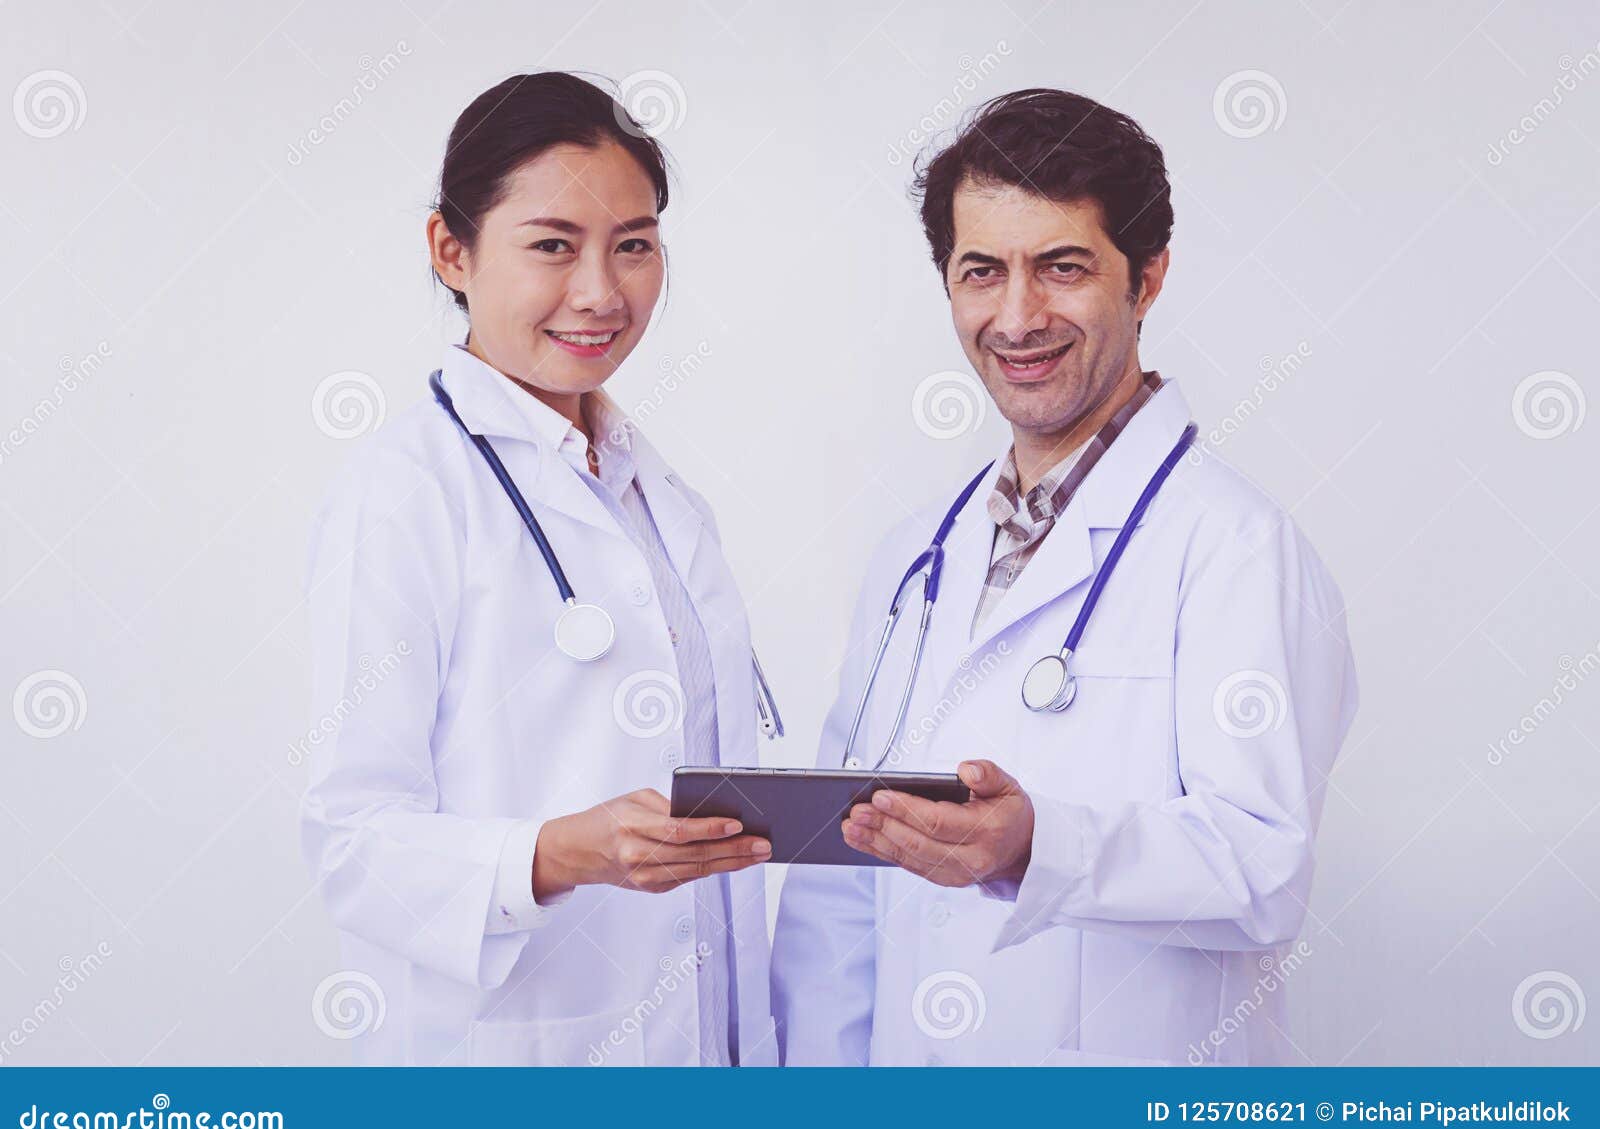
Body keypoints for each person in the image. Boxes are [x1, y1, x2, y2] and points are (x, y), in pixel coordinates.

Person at [771, 88, 1359, 1066]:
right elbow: (845, 872)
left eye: (1062, 266)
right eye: (981, 272)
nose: (1017, 315)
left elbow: (1263, 869)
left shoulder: (1234, 548)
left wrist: (1037, 843)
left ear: (1148, 277)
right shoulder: (916, 556)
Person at [299, 72, 777, 1066]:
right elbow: (353, 842)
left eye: (633, 245)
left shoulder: (657, 491)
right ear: (452, 249)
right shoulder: (405, 490)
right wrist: (564, 851)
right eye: (553, 245)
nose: (602, 293)